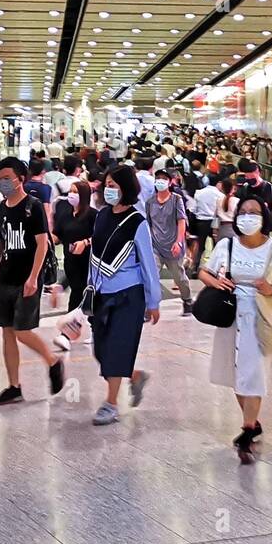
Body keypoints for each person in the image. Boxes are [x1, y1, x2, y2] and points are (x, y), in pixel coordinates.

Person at [199, 196, 272, 464]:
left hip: (258, 318)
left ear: (265, 217)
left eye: (254, 212)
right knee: (235, 374)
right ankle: (253, 422)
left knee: (252, 375)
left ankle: (247, 429)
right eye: (243, 212)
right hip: (230, 316)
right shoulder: (226, 245)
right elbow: (203, 272)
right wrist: (217, 283)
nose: (247, 217)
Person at [0, 157, 64, 406]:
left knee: (22, 331)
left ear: (21, 179)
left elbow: (42, 243)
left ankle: (53, 361)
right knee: (6, 332)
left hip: (26, 278)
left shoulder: (33, 206)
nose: (2, 182)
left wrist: (34, 278)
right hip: (5, 278)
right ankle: (13, 386)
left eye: (7, 177)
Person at [84, 165, 159, 425]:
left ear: (126, 188)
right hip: (102, 294)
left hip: (129, 296)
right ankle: (134, 375)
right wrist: (89, 287)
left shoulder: (137, 222)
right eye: (107, 184)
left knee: (116, 348)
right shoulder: (102, 215)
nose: (109, 189)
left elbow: (148, 264)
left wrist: (153, 301)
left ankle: (111, 403)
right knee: (100, 350)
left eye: (114, 185)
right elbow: (96, 256)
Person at [145, 170, 192, 316]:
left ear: (170, 182)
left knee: (179, 277)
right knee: (151, 276)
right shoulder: (150, 202)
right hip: (155, 246)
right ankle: (149, 307)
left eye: (164, 179)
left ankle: (187, 300)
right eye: (157, 178)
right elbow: (149, 223)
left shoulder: (176, 199)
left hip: (173, 246)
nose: (160, 181)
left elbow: (181, 221)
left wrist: (178, 242)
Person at [52, 180, 96, 314]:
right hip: (70, 262)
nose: (71, 194)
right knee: (77, 294)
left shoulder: (92, 215)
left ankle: (69, 330)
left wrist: (86, 242)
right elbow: (57, 235)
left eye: (75, 192)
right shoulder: (66, 214)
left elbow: (101, 237)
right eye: (70, 191)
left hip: (88, 264)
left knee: (78, 296)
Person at [189, 170, 222, 274]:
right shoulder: (220, 195)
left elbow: (193, 208)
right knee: (216, 246)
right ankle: (215, 268)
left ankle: (195, 267)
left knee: (200, 246)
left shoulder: (199, 192)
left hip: (201, 222)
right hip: (214, 222)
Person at [214, 177, 238, 241]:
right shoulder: (237, 201)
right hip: (233, 228)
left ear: (222, 188)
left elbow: (215, 216)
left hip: (221, 228)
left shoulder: (218, 200)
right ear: (233, 188)